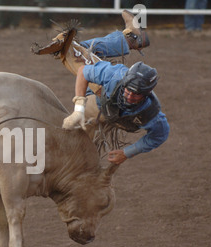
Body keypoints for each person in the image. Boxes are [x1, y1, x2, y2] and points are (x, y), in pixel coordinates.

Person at [61, 10, 169, 165]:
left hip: (113, 113)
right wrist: (78, 108)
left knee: (75, 50)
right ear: (125, 83)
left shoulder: (151, 112)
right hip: (100, 100)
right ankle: (131, 39)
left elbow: (160, 135)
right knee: (75, 51)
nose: (130, 96)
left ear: (146, 95)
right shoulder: (115, 75)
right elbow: (83, 72)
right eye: (128, 90)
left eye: (136, 95)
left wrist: (127, 153)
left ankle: (131, 38)